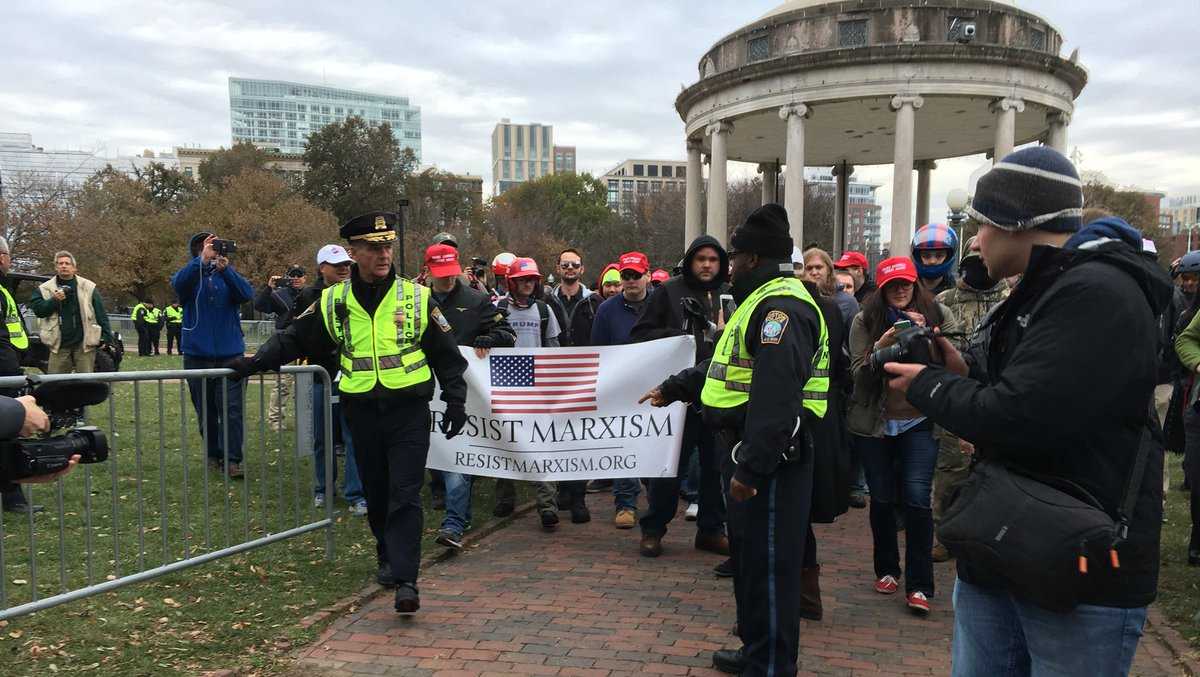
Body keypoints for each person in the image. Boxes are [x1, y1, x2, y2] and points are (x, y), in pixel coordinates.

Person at [889, 148, 1169, 675]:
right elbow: (1041, 391)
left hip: (1077, 566)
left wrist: (928, 385)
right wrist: (965, 370)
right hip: (1008, 547)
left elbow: (1020, 416)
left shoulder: (1097, 293)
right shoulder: (1045, 289)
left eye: (982, 224)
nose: (973, 239)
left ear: (1018, 222)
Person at [228, 211, 468, 614]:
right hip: (361, 409)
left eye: (387, 246)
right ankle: (386, 555)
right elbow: (293, 337)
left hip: (408, 408)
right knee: (376, 491)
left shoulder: (416, 297)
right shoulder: (333, 300)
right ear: (354, 252)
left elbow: (447, 355)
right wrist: (254, 363)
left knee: (405, 492)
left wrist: (456, 400)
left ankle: (407, 579)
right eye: (373, 248)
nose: (383, 255)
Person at [640, 204, 827, 677]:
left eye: (736, 256)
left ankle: (770, 665)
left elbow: (776, 396)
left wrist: (752, 468)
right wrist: (676, 386)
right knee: (749, 561)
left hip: (771, 462)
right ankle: (755, 649)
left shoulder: (781, 310)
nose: (729, 266)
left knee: (768, 567)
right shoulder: (759, 304)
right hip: (747, 450)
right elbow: (726, 365)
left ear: (756, 259)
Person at [848, 256, 958, 616]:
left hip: (920, 420)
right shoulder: (865, 319)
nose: (900, 290)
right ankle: (887, 569)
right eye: (893, 285)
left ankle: (921, 585)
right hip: (876, 424)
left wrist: (934, 338)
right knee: (881, 497)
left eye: (906, 284)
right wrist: (880, 346)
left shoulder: (938, 314)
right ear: (880, 289)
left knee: (916, 498)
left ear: (916, 285)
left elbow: (961, 368)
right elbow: (858, 379)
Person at [631, 236, 730, 558]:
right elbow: (641, 335)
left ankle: (711, 530)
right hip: (676, 398)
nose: (706, 265)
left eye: (713, 259)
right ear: (690, 260)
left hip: (718, 397)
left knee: (716, 469)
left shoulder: (731, 295)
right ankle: (653, 529)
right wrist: (680, 336)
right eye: (700, 258)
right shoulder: (669, 292)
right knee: (668, 468)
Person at [423, 243, 518, 548]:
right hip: (424, 391)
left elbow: (509, 335)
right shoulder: (415, 301)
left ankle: (453, 523)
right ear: (427, 272)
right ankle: (445, 511)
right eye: (440, 275)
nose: (447, 280)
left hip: (464, 393)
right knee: (431, 457)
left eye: (451, 273)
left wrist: (489, 337)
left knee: (457, 458)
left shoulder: (476, 300)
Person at [930, 237, 1008, 562]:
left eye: (982, 256)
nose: (979, 263)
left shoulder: (1010, 300)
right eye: (972, 257)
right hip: (955, 396)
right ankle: (943, 534)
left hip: (998, 395)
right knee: (950, 471)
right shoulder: (945, 300)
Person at [790, 246, 853, 622]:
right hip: (811, 419)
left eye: (813, 267)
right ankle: (803, 594)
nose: (807, 274)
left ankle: (799, 596)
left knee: (790, 512)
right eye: (801, 267)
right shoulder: (822, 307)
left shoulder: (831, 309)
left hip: (807, 420)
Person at [171, 232, 254, 479]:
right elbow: (177, 285)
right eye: (209, 247)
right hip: (198, 354)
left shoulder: (227, 276)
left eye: (216, 247)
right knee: (206, 410)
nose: (214, 250)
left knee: (232, 410)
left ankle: (233, 459)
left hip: (231, 355)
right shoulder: (190, 277)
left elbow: (246, 294)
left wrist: (225, 270)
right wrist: (201, 262)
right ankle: (213, 453)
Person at [293, 244, 366, 516]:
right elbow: (298, 331)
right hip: (320, 374)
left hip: (353, 374)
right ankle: (323, 488)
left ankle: (356, 493)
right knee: (323, 436)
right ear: (322, 268)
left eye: (347, 264)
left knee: (352, 436)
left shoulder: (357, 291)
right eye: (338, 266)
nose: (345, 269)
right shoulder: (308, 296)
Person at [494, 257, 563, 527]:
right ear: (512, 282)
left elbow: (553, 347)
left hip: (538, 387)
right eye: (523, 279)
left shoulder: (544, 311)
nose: (528, 284)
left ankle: (547, 505)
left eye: (532, 279)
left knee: (542, 443)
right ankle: (505, 498)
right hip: (506, 385)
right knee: (506, 441)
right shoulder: (498, 308)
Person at [592, 251, 654, 529]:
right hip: (620, 389)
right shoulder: (607, 310)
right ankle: (625, 502)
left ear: (647, 276)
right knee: (623, 444)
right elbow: (598, 351)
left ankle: (657, 502)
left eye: (636, 276)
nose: (630, 282)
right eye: (626, 276)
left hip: (656, 388)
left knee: (656, 444)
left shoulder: (660, 304)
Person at [545, 247, 602, 522]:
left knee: (579, 437)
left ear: (582, 269)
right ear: (558, 268)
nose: (569, 269)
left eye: (574, 265)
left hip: (584, 376)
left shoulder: (595, 302)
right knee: (556, 435)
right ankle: (563, 491)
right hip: (553, 377)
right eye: (565, 264)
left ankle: (578, 496)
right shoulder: (546, 301)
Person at [0, 236, 42, 513]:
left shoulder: (4, 290)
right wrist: (11, 372)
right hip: (4, 372)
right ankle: (12, 494)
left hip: (11, 363)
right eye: (8, 256)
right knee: (8, 433)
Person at [29, 251, 113, 374]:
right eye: (60, 263)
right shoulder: (45, 288)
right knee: (55, 383)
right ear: (56, 267)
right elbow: (39, 311)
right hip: (58, 345)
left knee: (85, 382)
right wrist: (54, 300)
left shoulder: (88, 286)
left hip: (84, 344)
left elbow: (101, 313)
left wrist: (107, 337)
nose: (63, 266)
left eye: (67, 263)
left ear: (74, 268)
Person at [255, 265, 307, 430]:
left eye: (300, 275)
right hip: (287, 344)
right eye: (293, 275)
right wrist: (269, 288)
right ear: (287, 277)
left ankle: (307, 420)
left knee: (307, 384)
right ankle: (276, 420)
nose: (296, 278)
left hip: (307, 344)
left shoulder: (311, 293)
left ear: (305, 277)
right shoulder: (279, 295)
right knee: (283, 384)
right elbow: (260, 305)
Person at [911, 224, 959, 295]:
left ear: (948, 257)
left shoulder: (957, 293)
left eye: (939, 256)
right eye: (926, 256)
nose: (932, 261)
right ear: (918, 257)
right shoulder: (907, 292)